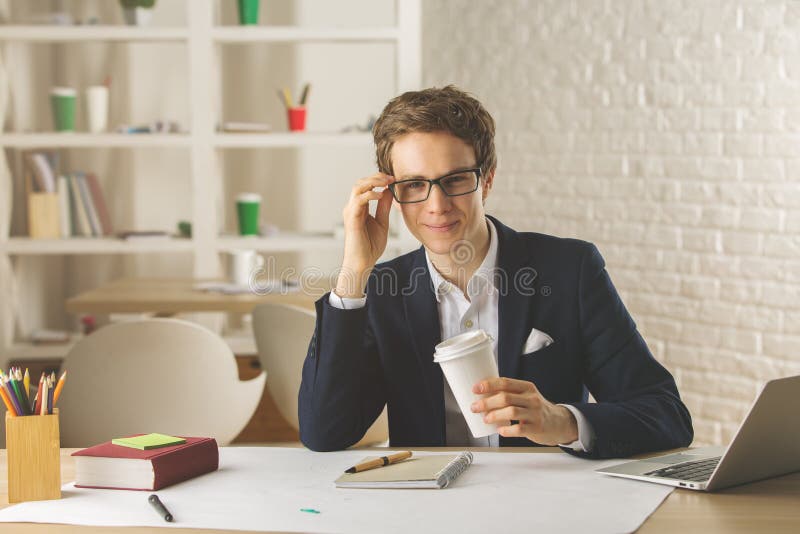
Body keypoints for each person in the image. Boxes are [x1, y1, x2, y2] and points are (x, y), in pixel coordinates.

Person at [298, 85, 693, 459]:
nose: (436, 205)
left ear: (486, 179)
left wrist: (563, 422)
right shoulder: (382, 291)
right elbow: (325, 433)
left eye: (454, 180)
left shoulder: (570, 271)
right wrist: (353, 273)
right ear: (394, 196)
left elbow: (666, 415)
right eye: (415, 185)